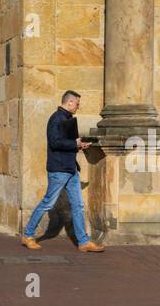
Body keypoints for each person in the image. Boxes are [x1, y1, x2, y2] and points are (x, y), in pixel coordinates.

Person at [21, 90, 104, 253]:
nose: (78, 107)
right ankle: (28, 235)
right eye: (77, 104)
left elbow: (66, 142)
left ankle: (83, 242)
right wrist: (75, 143)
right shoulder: (56, 118)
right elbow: (54, 142)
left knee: (78, 205)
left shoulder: (66, 118)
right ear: (70, 102)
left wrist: (79, 144)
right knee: (48, 202)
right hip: (59, 170)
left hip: (70, 169)